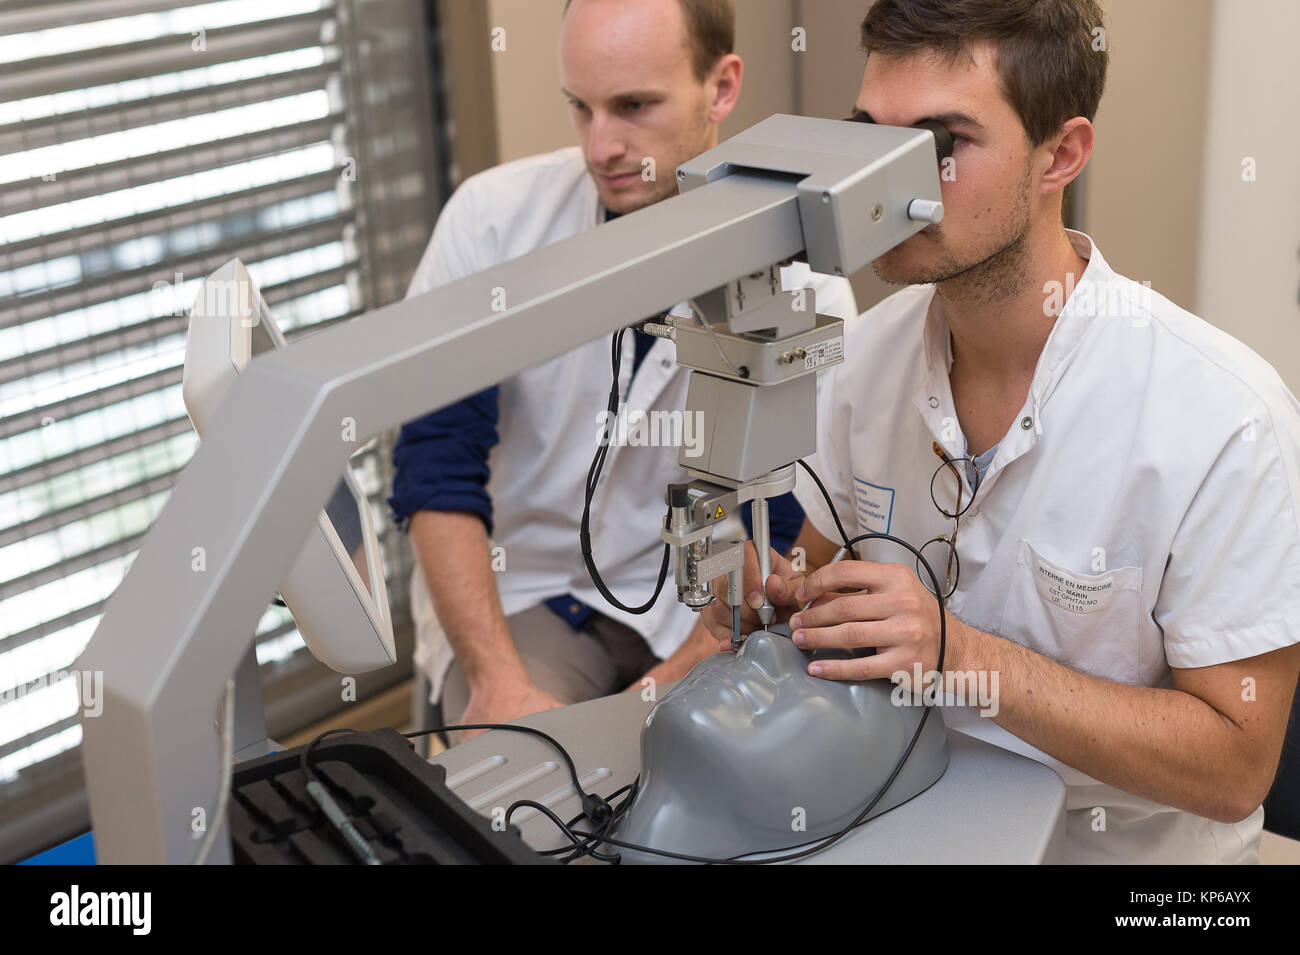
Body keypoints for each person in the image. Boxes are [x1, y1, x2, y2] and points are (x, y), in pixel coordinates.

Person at [705, 0, 1300, 864]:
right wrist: (777, 598)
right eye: (870, 135)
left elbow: (1237, 767)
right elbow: (818, 575)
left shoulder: (1224, 417)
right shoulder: (859, 360)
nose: (884, 187)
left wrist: (958, 653)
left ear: (1061, 155)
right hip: (910, 819)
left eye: (942, 145)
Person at [389, 0, 858, 741]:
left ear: (722, 86)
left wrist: (656, 698)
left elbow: (793, 532)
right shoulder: (491, 223)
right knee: (527, 793)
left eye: (634, 106)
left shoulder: (808, 291)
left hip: (695, 613)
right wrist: (498, 680)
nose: (601, 146)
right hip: (523, 597)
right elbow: (434, 459)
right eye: (581, 108)